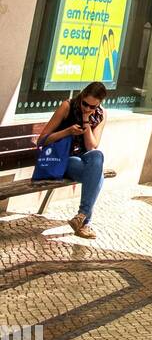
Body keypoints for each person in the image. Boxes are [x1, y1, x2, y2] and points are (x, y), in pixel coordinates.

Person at [37, 82, 107, 239]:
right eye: (85, 104)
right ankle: (84, 221)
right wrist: (67, 131)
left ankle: (81, 216)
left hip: (84, 159)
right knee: (98, 176)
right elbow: (42, 140)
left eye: (92, 107)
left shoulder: (101, 115)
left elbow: (91, 146)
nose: (88, 108)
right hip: (62, 158)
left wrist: (86, 120)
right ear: (81, 96)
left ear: (99, 104)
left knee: (97, 156)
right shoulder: (67, 107)